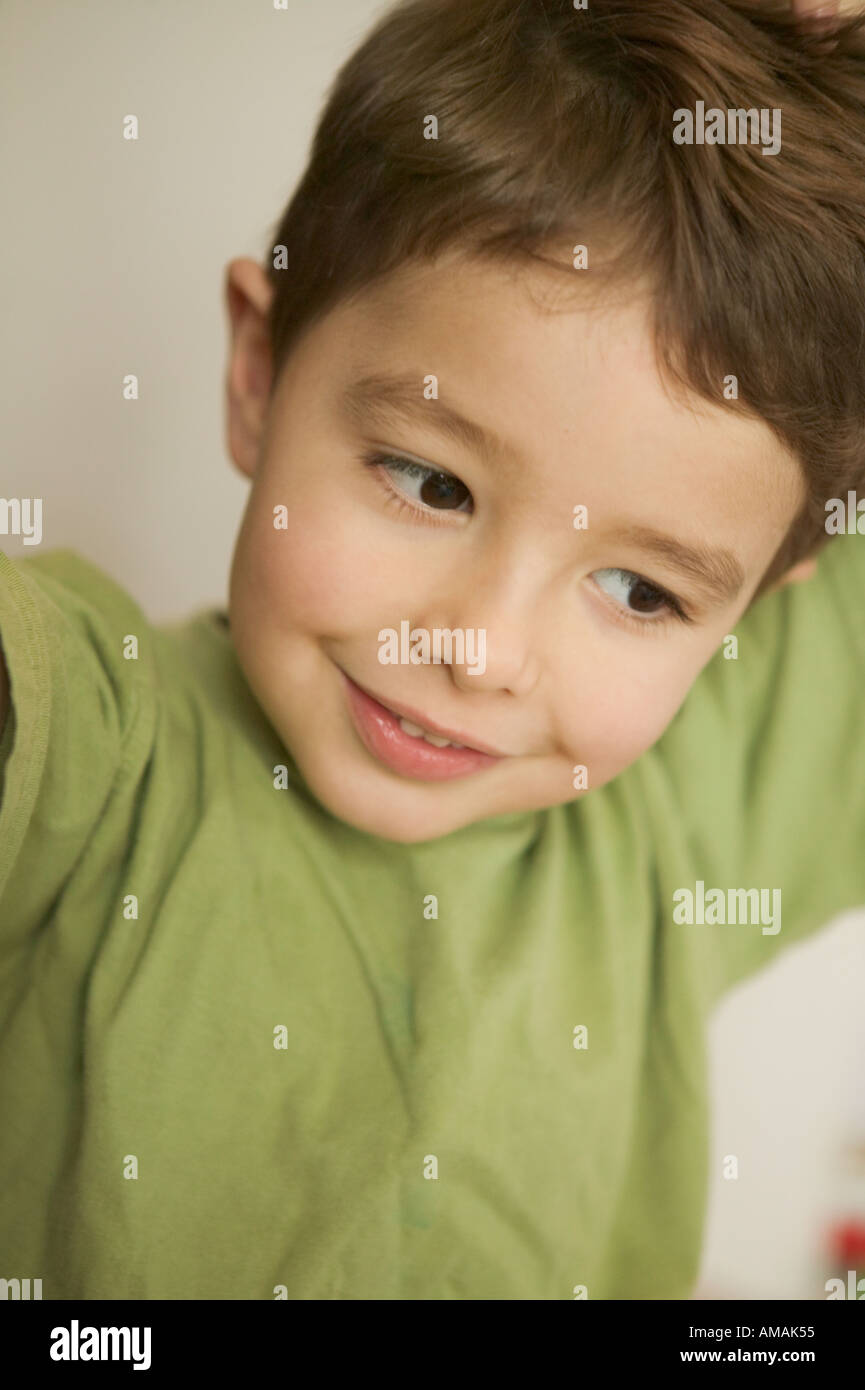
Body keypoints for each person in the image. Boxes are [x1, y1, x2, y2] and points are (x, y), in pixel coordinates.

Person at [1, 0, 864, 1300]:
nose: (479, 648)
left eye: (637, 588)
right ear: (259, 366)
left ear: (763, 601)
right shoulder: (93, 748)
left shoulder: (687, 822)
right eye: (428, 481)